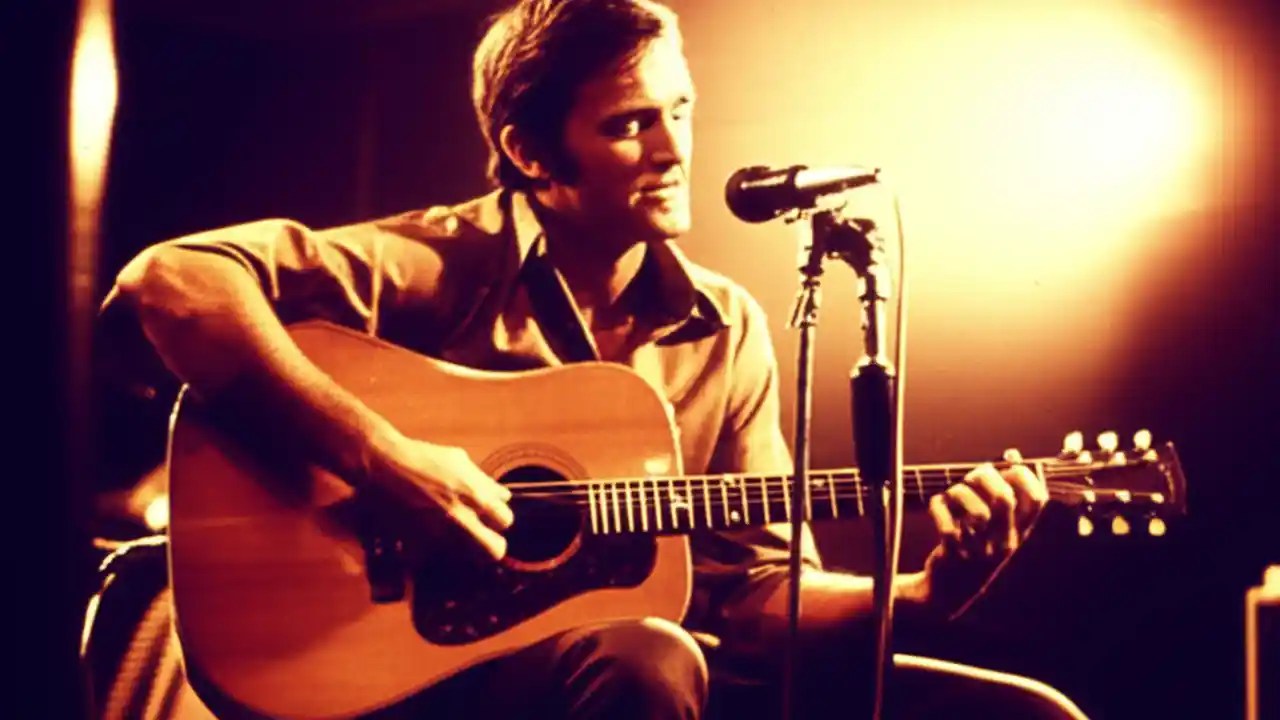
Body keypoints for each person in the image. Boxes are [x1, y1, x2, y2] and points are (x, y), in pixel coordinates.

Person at [99, 0, 1089, 717]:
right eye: (629, 123)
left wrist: (920, 594)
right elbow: (170, 284)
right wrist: (385, 459)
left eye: (681, 110)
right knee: (645, 657)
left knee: (1028, 714)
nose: (672, 148)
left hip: (619, 675)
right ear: (532, 152)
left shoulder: (724, 327)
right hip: (414, 668)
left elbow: (754, 599)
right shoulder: (442, 262)